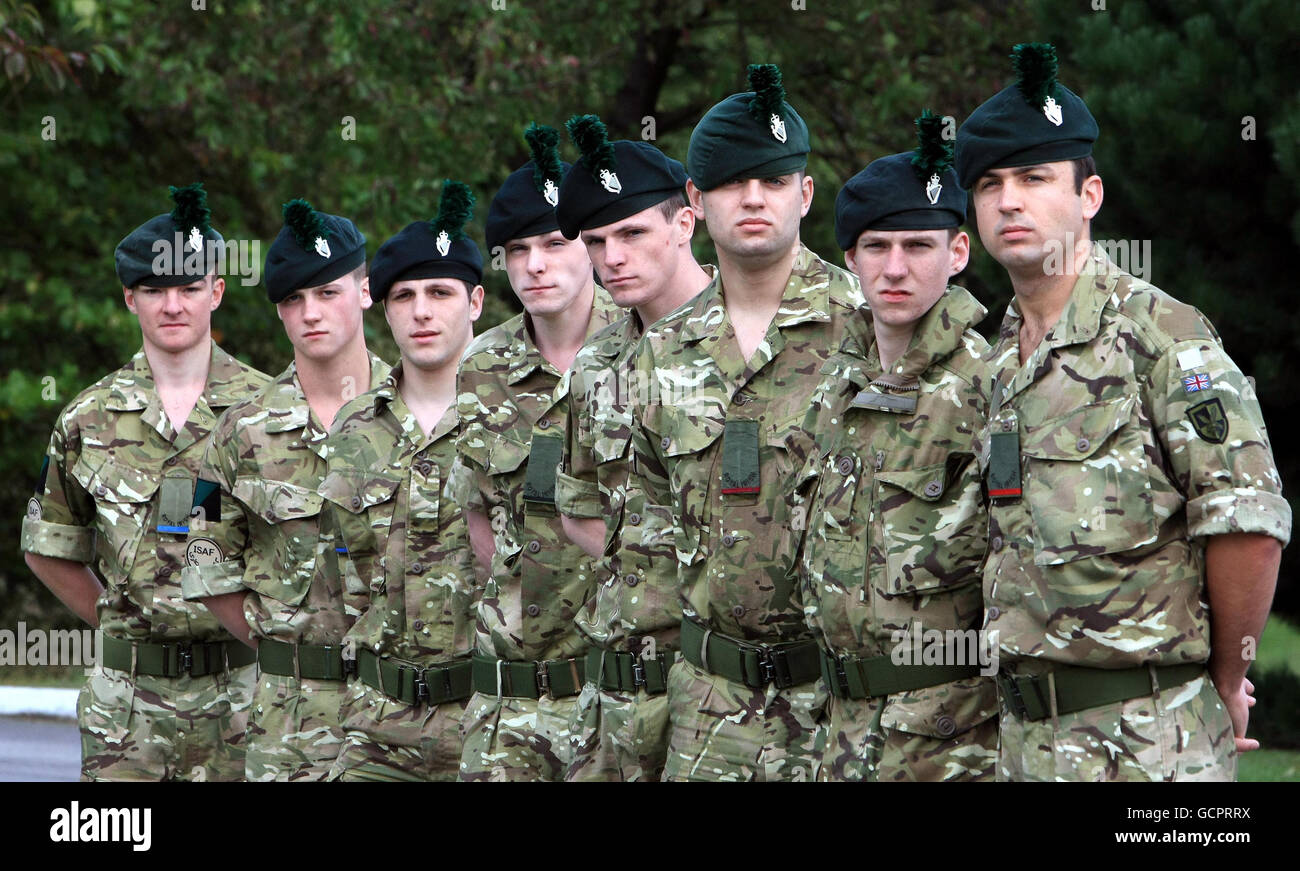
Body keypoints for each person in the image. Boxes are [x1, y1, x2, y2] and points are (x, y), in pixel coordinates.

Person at [956, 42, 1290, 781]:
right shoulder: (997, 358)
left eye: (1035, 177)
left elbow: (1247, 523)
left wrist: (1229, 680)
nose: (1010, 199)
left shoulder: (1161, 338)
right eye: (989, 183)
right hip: (1023, 743)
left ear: (1090, 195)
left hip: (1144, 745)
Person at [626, 64, 864, 781]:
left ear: (805, 192)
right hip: (709, 712)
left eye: (772, 179)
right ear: (695, 200)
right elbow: (644, 547)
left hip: (842, 710)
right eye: (731, 182)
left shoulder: (871, 330)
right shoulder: (660, 353)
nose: (753, 198)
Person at [21, 183, 268, 781]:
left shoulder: (271, 413)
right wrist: (113, 616)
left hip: (244, 699)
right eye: (155, 291)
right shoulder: (88, 417)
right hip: (126, 709)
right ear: (130, 299)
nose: (173, 306)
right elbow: (49, 547)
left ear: (217, 291)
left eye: (188, 288)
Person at [797, 112, 998, 781]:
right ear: (849, 259)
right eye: (876, 247)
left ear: (959, 253)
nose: (895, 267)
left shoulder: (990, 388)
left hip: (950, 736)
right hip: (839, 733)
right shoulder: (830, 393)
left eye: (918, 245)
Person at [180, 198, 390, 781]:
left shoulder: (416, 417)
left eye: (328, 292)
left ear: (365, 292)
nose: (311, 313)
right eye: (293, 299)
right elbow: (202, 558)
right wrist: (282, 645)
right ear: (278, 314)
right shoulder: (236, 431)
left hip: (402, 714)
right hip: (288, 722)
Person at [447, 123, 619, 780]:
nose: (536, 265)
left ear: (591, 245)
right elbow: (479, 515)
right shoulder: (483, 365)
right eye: (517, 250)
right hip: (511, 702)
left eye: (555, 243)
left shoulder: (645, 347)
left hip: (619, 689)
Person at [552, 114, 713, 780]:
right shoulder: (597, 362)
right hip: (619, 690)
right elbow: (577, 506)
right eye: (596, 240)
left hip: (720, 686)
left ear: (685, 222)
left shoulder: (741, 345)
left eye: (632, 232)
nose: (612, 257)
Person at [321, 181, 484, 781]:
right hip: (379, 724)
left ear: (475, 302)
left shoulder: (518, 417)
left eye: (440, 292)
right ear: (382, 308)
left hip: (490, 720)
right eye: (403, 296)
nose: (421, 311)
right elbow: (344, 574)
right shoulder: (354, 429)